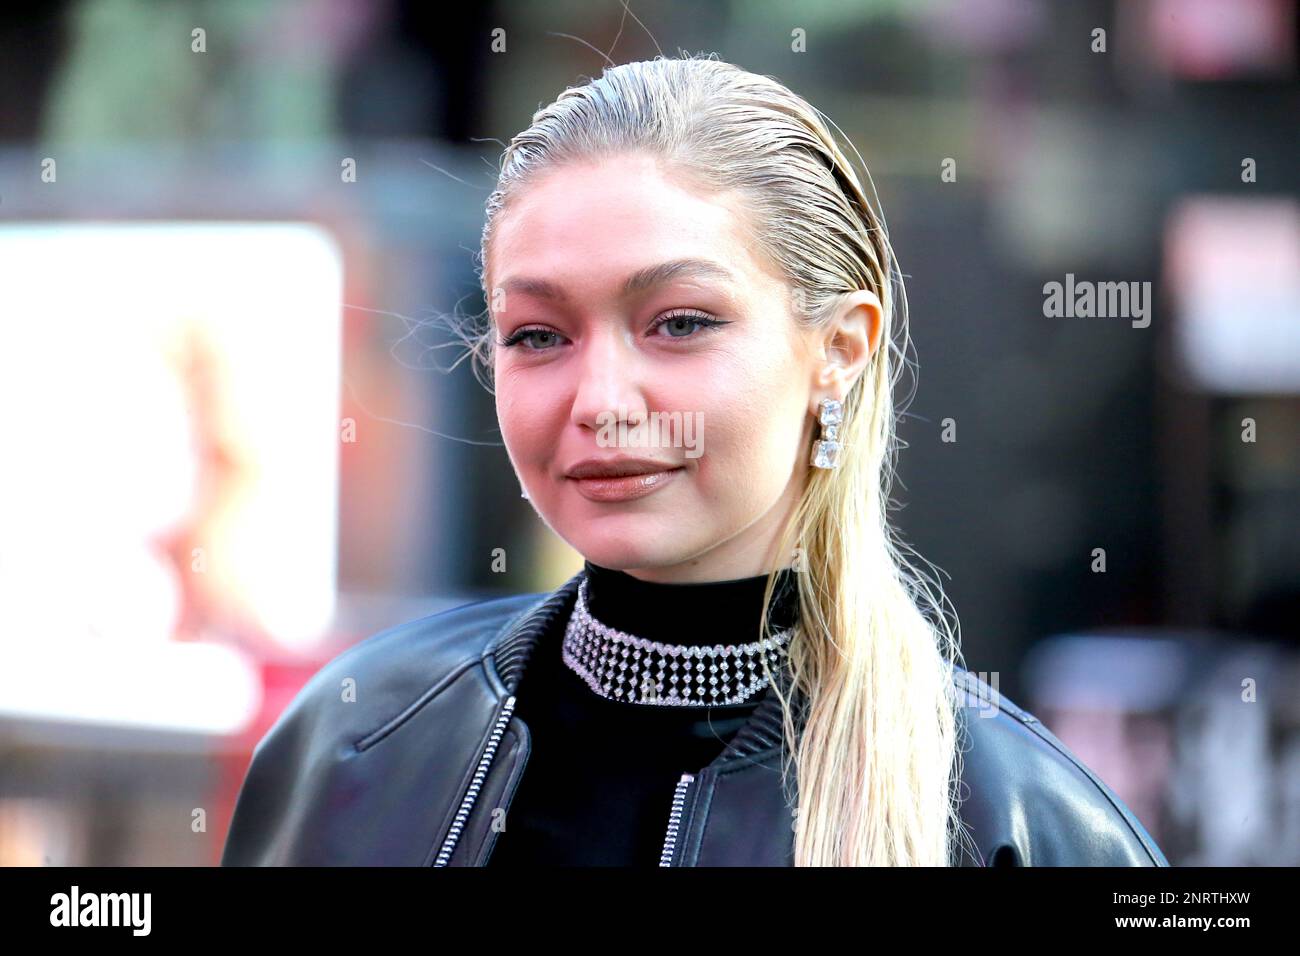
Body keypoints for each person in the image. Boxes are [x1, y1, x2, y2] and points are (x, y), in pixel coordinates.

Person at [221, 54, 1168, 867]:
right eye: (539, 335)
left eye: (679, 323)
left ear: (838, 351)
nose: (599, 402)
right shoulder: (354, 739)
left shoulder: (1014, 817)